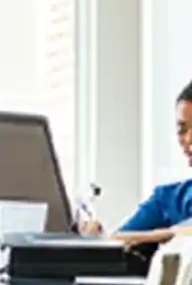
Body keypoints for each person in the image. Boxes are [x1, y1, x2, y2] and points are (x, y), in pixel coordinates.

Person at [80, 79, 192, 246]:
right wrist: (170, 234)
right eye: (181, 131)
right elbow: (116, 241)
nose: (189, 139)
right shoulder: (168, 199)